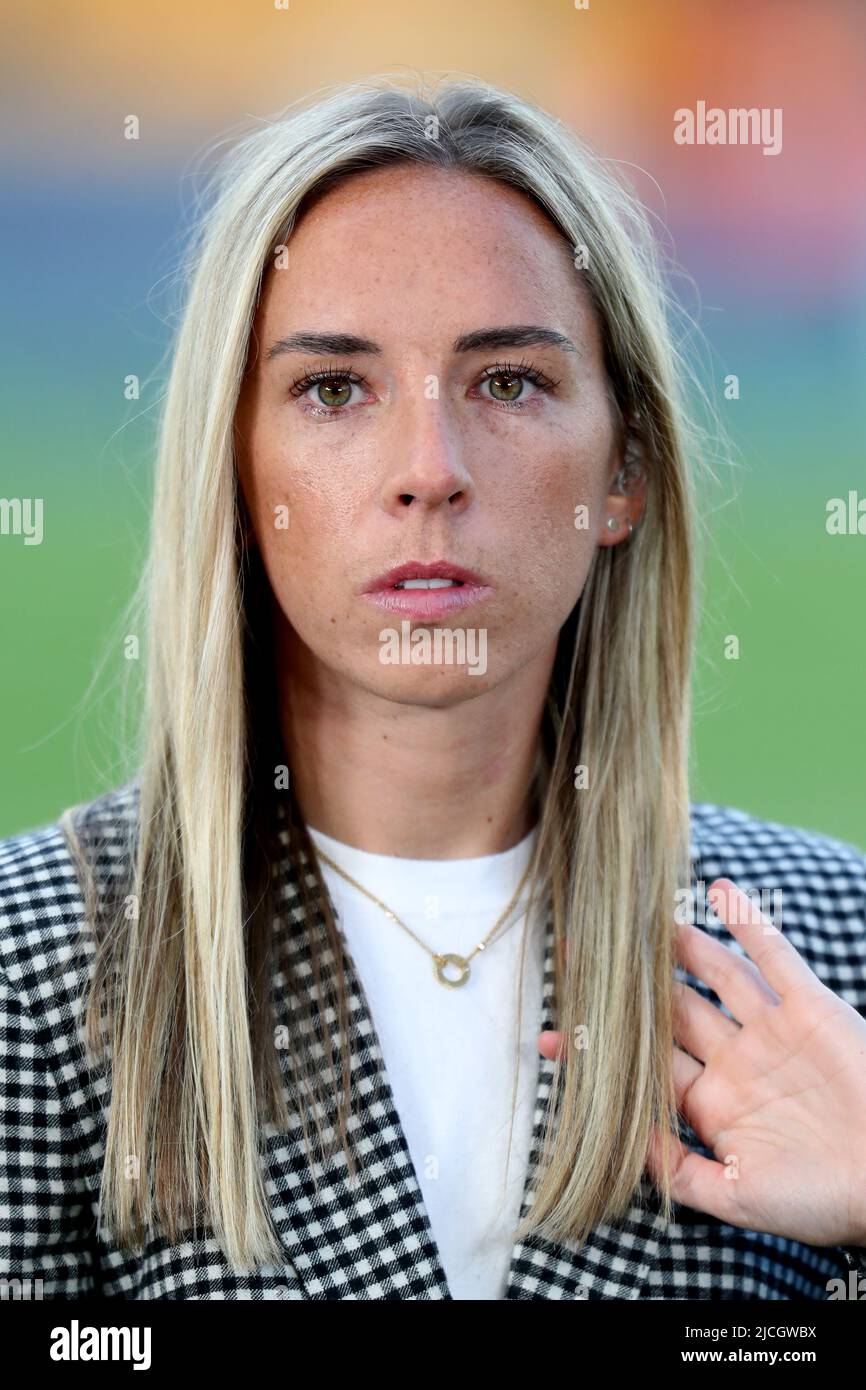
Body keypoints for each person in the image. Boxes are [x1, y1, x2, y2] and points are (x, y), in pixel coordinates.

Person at [1, 73, 865, 1302]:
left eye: (507, 380)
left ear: (622, 468)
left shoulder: (827, 955)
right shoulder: (33, 970)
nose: (428, 471)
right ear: (235, 472)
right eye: (333, 389)